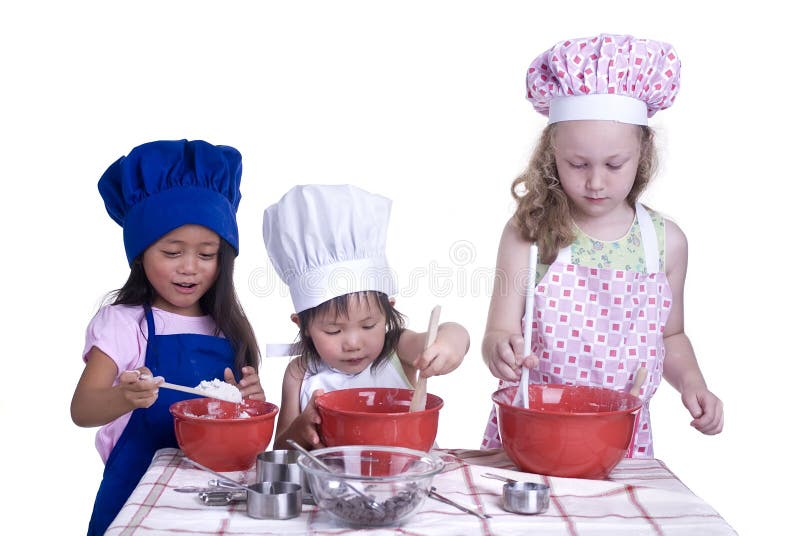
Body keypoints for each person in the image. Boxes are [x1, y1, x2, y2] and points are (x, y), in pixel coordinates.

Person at [481, 34, 723, 456]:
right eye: (577, 164)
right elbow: (499, 330)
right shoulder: (531, 232)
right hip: (532, 429)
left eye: (614, 165)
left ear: (642, 153)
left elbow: (672, 335)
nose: (595, 182)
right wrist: (499, 349)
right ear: (551, 154)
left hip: (619, 440)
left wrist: (693, 384)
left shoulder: (665, 243)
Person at [70, 139, 265, 535]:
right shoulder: (125, 324)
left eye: (206, 254)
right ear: (141, 254)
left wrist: (250, 405)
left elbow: (251, 440)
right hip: (135, 495)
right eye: (172, 253)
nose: (190, 268)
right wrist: (124, 397)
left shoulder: (227, 328)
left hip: (214, 494)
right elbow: (82, 409)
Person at [262, 184, 470, 449]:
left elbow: (453, 331)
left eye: (369, 325)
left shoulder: (399, 349)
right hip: (333, 489)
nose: (353, 343)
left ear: (387, 311)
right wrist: (300, 429)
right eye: (333, 331)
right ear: (303, 326)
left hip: (409, 481)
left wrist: (449, 344)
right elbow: (280, 450)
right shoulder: (299, 373)